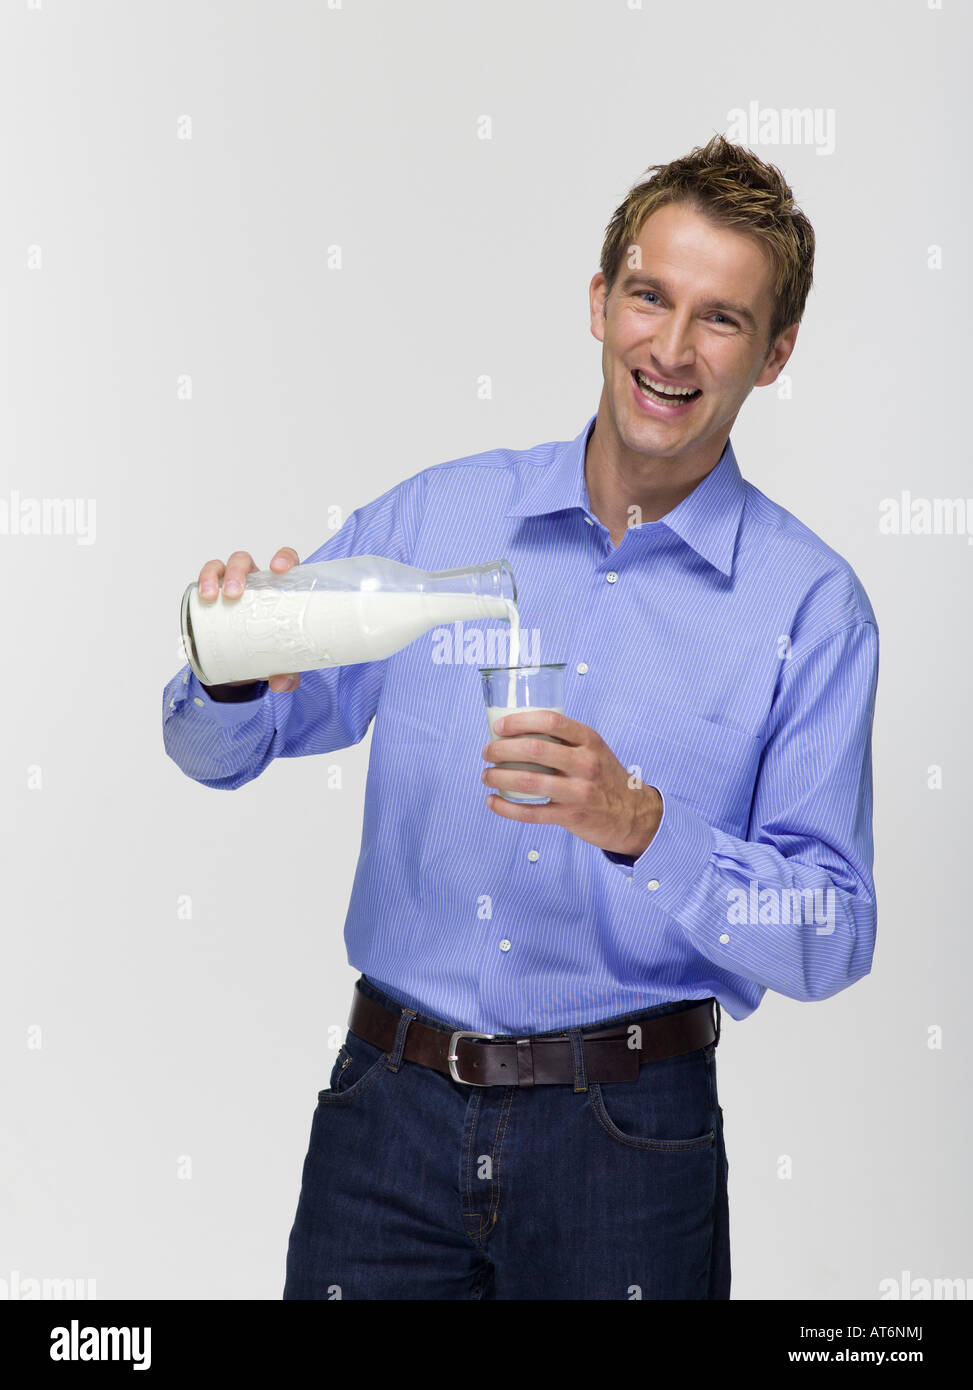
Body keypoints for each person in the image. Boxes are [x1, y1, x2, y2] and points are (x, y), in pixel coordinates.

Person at [162, 134, 879, 1300]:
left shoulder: (810, 606)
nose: (671, 347)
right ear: (600, 303)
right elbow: (210, 748)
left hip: (628, 1146)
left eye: (722, 319)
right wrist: (236, 667)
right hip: (382, 1124)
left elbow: (833, 929)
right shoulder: (442, 514)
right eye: (649, 296)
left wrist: (646, 823)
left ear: (776, 352)